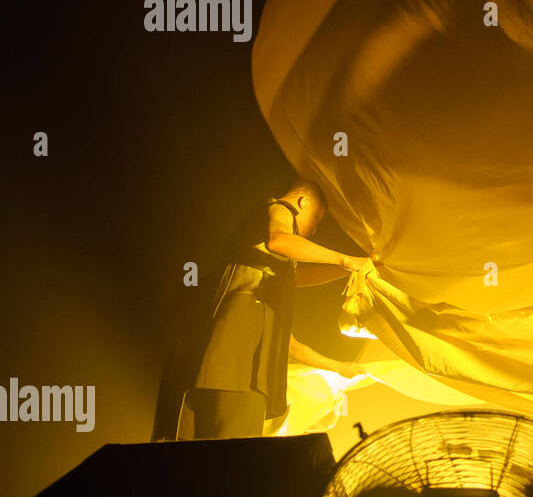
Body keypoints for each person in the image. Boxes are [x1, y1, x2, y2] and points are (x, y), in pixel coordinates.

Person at [151, 178, 376, 441]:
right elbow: (280, 241)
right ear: (302, 202)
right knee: (230, 449)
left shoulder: (265, 286)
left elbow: (293, 340)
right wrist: (346, 259)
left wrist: (339, 366)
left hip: (238, 377)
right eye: (317, 218)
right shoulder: (278, 209)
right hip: (230, 374)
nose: (314, 229)